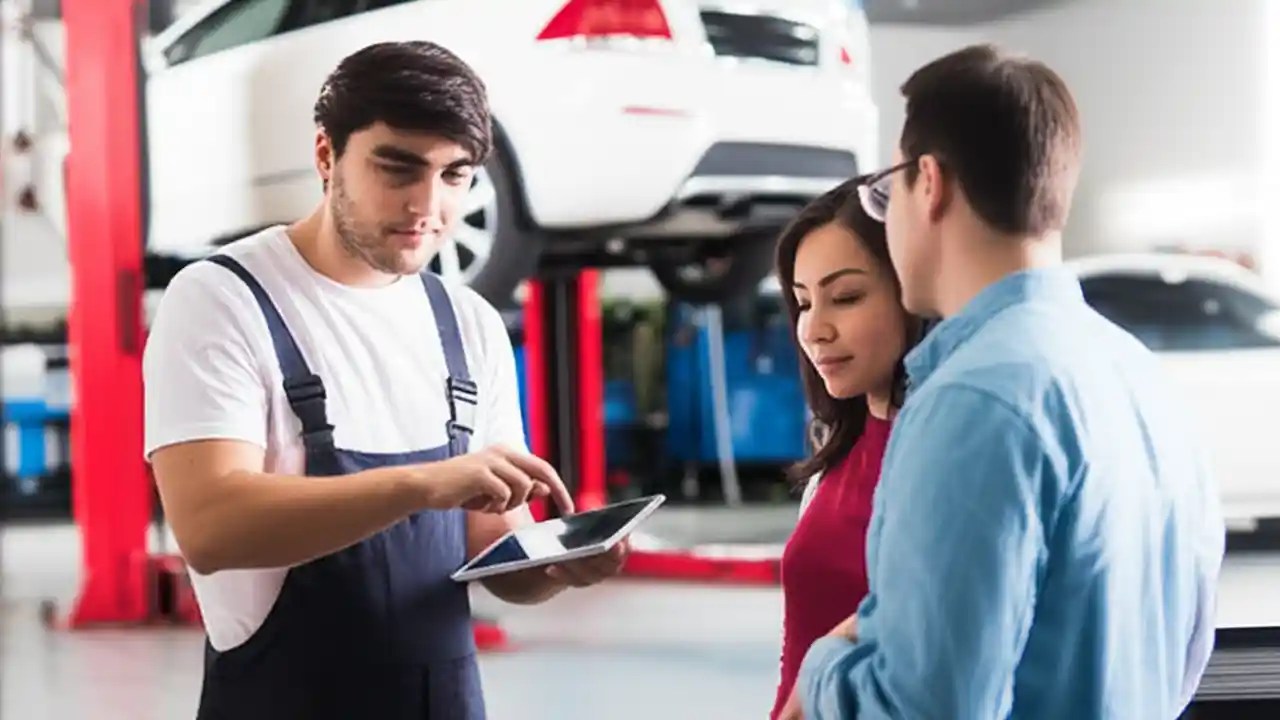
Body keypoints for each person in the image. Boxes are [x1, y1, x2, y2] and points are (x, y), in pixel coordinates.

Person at [143, 41, 628, 720]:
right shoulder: (225, 300)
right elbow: (211, 526)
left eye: (454, 175)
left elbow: (492, 542)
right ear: (325, 156)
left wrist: (554, 568)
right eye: (398, 168)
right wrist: (422, 484)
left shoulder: (467, 323)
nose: (427, 205)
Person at [796, 44, 1225, 719]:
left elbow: (922, 709)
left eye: (888, 195)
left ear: (929, 183)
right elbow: (1186, 655)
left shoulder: (974, 401)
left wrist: (826, 665)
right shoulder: (1140, 377)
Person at [768, 179, 926, 720]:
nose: (814, 329)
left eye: (846, 297)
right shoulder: (839, 456)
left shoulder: (947, 457)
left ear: (915, 291)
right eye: (803, 302)